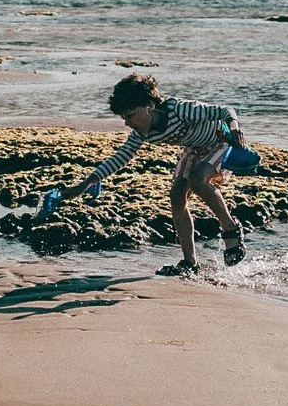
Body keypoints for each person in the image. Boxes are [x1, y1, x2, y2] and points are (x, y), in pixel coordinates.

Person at [68, 73, 249, 275]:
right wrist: (85, 183)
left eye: (130, 116)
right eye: (123, 118)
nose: (128, 123)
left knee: (198, 179)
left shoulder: (178, 109)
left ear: (149, 106)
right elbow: (120, 157)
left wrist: (235, 130)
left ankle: (231, 228)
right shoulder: (142, 133)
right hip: (195, 149)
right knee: (176, 194)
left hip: (221, 141)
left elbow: (225, 110)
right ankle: (190, 263)